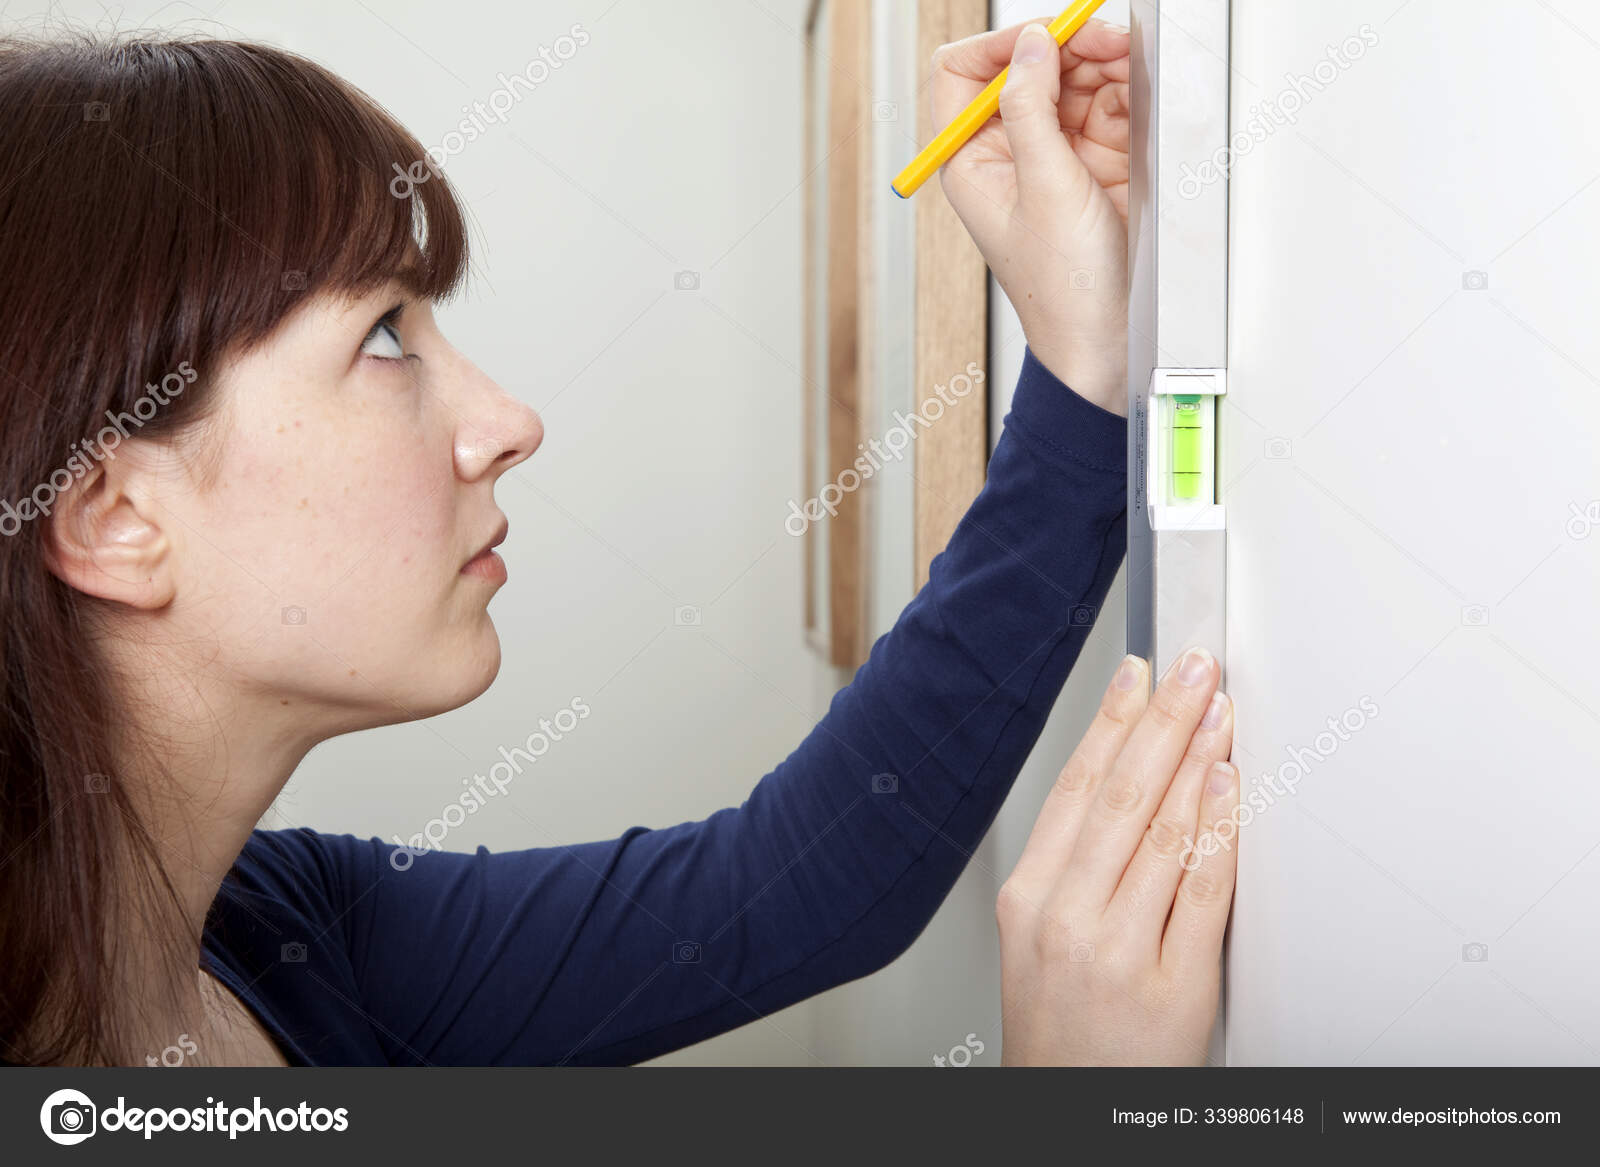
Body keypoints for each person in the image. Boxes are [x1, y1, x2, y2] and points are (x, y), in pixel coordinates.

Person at [0, 16, 1235, 1067]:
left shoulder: (288, 933)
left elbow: (797, 890)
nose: (507, 423)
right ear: (112, 516)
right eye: (383, 338)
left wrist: (1083, 374)